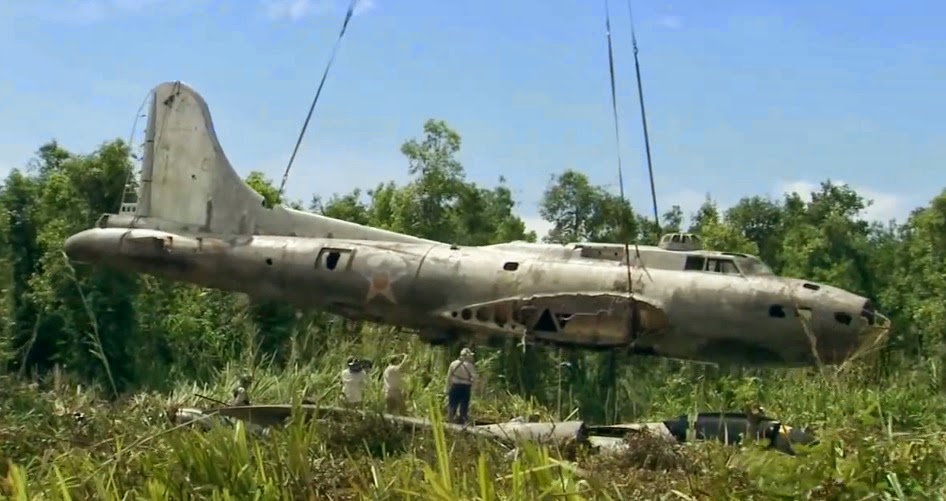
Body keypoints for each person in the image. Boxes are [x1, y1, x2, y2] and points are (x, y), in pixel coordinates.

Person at [445, 348, 477, 424]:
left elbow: (448, 377)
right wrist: (473, 389)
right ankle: (463, 422)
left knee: (452, 405)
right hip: (465, 388)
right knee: (464, 406)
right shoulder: (470, 366)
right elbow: (474, 378)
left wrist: (446, 388)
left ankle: (450, 421)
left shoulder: (453, 364)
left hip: (455, 386)